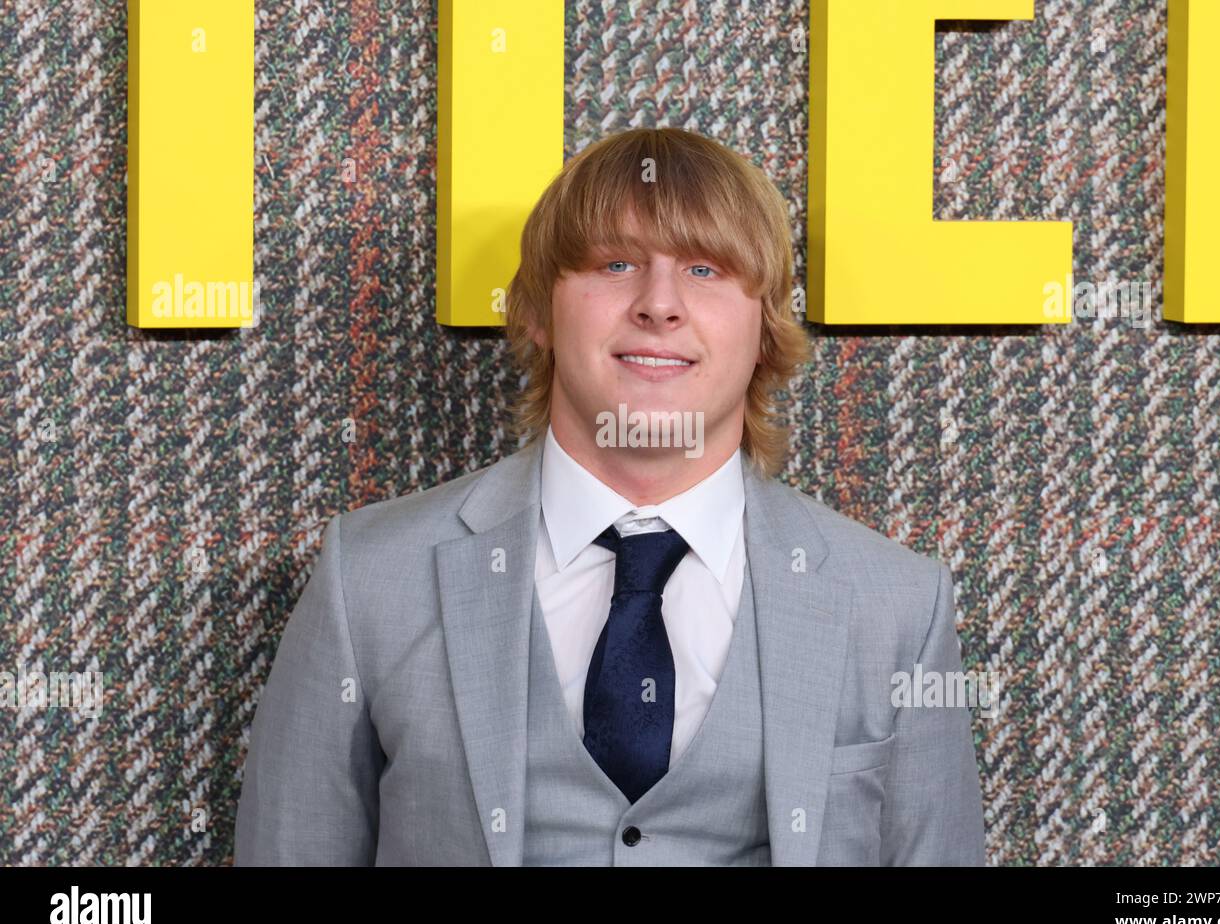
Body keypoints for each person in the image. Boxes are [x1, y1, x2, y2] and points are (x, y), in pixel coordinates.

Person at [233, 126, 986, 866]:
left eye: (706, 270)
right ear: (535, 309)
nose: (659, 304)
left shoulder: (898, 606)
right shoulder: (366, 579)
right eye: (615, 263)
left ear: (766, 327)